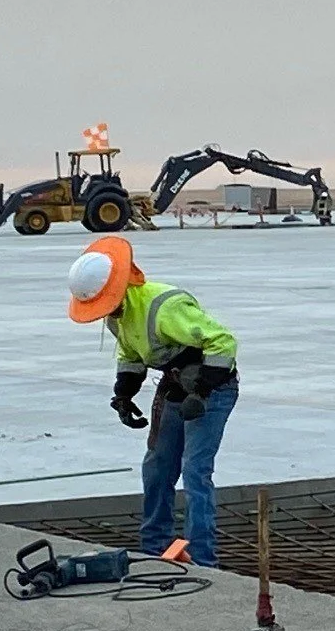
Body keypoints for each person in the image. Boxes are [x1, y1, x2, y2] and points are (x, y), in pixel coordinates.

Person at [65, 236, 239, 567]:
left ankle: (203, 559)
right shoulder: (117, 314)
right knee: (157, 467)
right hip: (174, 385)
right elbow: (131, 353)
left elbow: (223, 342)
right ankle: (155, 545)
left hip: (214, 388)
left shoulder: (164, 308)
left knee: (195, 471)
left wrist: (201, 392)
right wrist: (123, 394)